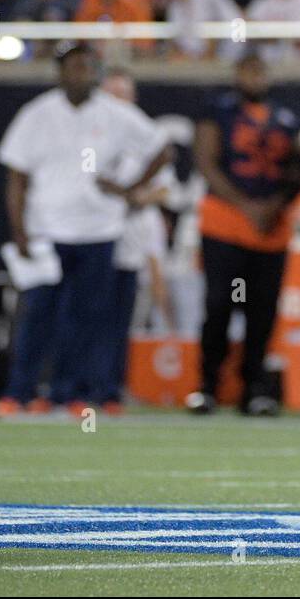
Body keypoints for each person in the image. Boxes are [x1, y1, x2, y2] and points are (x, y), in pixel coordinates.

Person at [0, 42, 167, 416]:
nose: (82, 74)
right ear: (60, 72)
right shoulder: (36, 114)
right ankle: (19, 392)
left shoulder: (116, 114)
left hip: (99, 231)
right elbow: (17, 178)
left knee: (87, 317)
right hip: (46, 231)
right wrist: (19, 230)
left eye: (89, 67)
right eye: (75, 66)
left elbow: (162, 148)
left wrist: (129, 189)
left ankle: (69, 394)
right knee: (38, 314)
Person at [191, 53, 300, 417]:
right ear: (237, 74)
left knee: (262, 312)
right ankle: (208, 385)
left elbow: (298, 173)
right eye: (248, 70)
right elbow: (207, 163)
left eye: (260, 70)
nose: (255, 77)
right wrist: (247, 206)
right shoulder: (219, 111)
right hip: (225, 225)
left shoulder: (285, 117)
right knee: (218, 306)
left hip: (271, 231)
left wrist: (274, 205)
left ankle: (254, 388)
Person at [98, 68, 174, 417]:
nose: (119, 104)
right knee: (86, 311)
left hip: (133, 230)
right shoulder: (90, 131)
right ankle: (73, 388)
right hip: (92, 229)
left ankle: (113, 388)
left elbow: (166, 186)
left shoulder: (146, 133)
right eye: (112, 96)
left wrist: (136, 196)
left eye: (123, 96)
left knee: (121, 313)